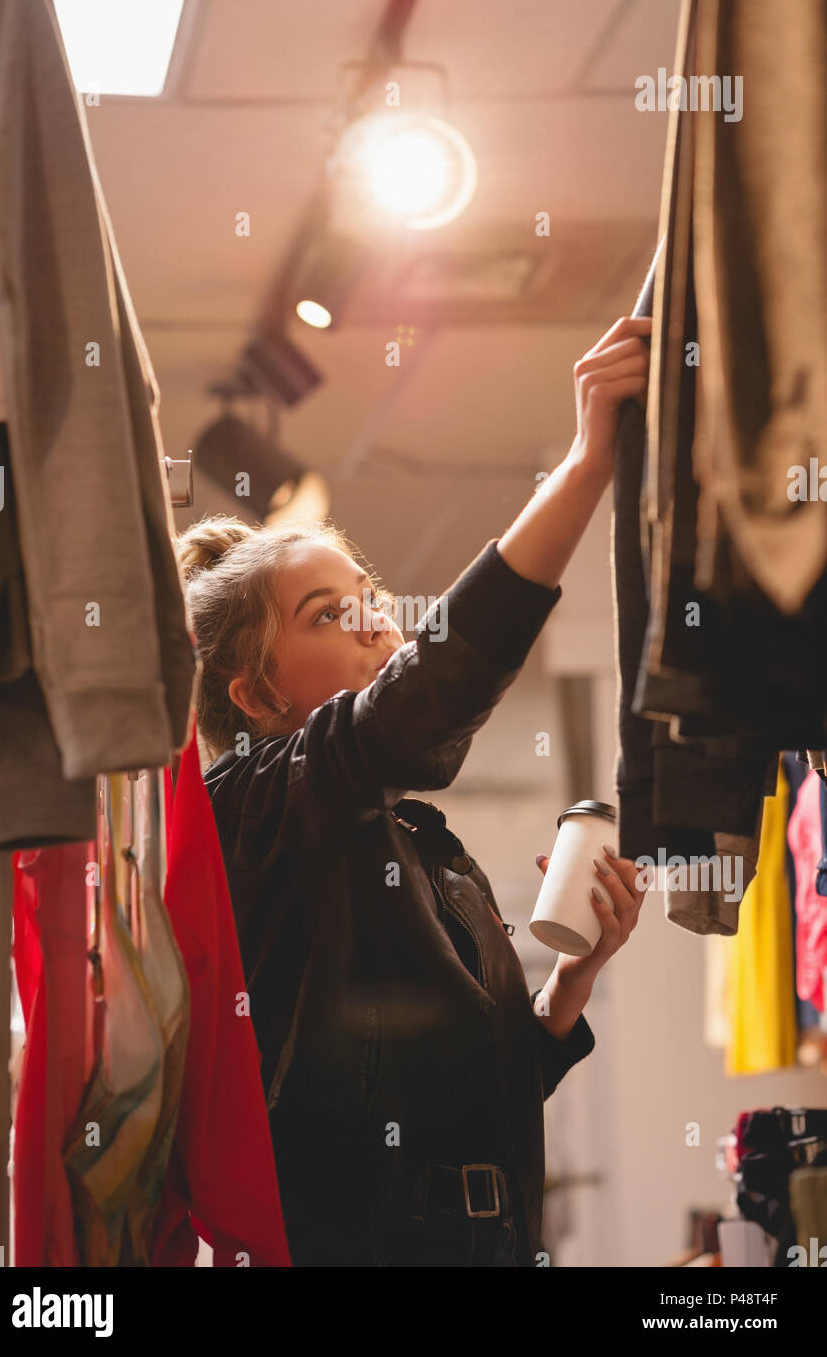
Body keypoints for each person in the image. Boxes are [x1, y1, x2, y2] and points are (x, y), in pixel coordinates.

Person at [177, 314, 652, 1267]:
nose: (371, 618)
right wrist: (583, 468)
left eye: (367, 591)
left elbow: (476, 1094)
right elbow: (420, 700)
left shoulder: (427, 847)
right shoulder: (253, 802)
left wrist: (569, 984)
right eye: (328, 613)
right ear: (258, 694)